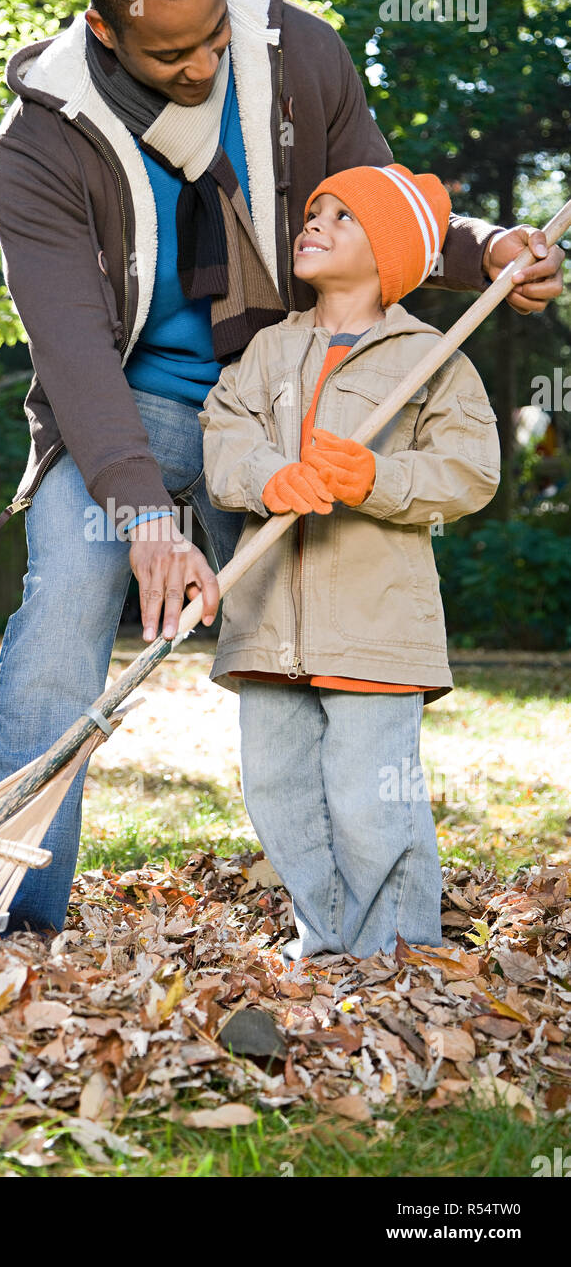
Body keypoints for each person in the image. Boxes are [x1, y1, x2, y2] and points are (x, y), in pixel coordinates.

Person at [0, 0, 566, 935]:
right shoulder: (38, 146)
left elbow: (380, 201)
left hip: (289, 391)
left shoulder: (293, 51)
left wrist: (485, 250)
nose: (203, 68)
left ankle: (365, 932)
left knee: (317, 654)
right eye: (171, 57)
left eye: (211, 39)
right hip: (130, 410)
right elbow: (71, 354)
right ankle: (10, 918)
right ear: (106, 32)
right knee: (63, 615)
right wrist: (145, 520)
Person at [200, 163, 501, 959]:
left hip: (376, 626)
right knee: (280, 791)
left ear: (392, 256)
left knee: (371, 800)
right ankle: (328, 941)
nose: (316, 222)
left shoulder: (432, 358)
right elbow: (224, 432)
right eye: (314, 211)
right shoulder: (268, 350)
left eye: (344, 217)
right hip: (269, 626)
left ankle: (397, 954)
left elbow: (470, 470)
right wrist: (270, 474)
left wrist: (378, 479)